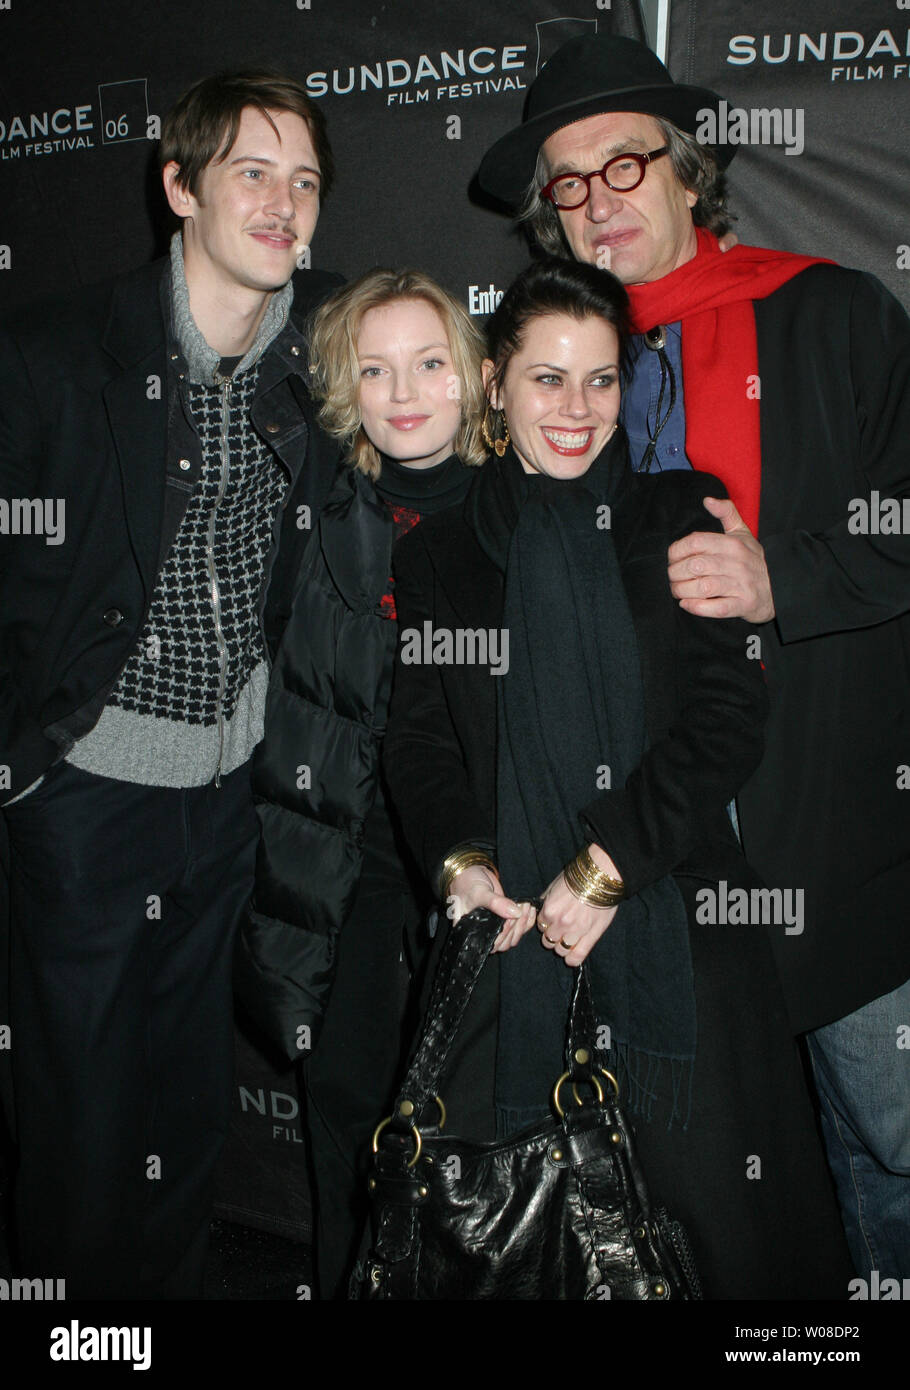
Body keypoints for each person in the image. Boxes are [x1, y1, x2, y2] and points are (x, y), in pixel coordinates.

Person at [476, 31, 910, 1285]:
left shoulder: (828, 314)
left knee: (888, 1143)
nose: (598, 199)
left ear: (684, 169)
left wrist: (792, 574)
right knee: (731, 1181)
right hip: (647, 858)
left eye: (624, 165)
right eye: (567, 182)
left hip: (832, 838)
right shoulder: (564, 384)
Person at [382, 256, 850, 1299]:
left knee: (725, 1245)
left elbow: (726, 719)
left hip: (675, 933)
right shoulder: (442, 559)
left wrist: (604, 868)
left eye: (601, 379)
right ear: (495, 383)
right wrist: (460, 867)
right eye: (546, 378)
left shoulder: (682, 512)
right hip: (510, 947)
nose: (576, 408)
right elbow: (420, 744)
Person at [0, 70, 342, 1298]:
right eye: (253, 172)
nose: (283, 203)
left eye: (303, 181)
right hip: (85, 799)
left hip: (232, 795)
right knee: (83, 1116)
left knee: (188, 1102)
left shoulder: (331, 351)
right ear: (179, 187)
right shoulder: (53, 354)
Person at [234, 268, 487, 1298]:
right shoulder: (312, 508)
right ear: (344, 385)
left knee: (471, 1098)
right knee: (342, 1097)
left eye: (429, 361)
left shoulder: (522, 510)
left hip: (475, 848)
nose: (405, 389)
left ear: (473, 377)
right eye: (373, 367)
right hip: (337, 843)